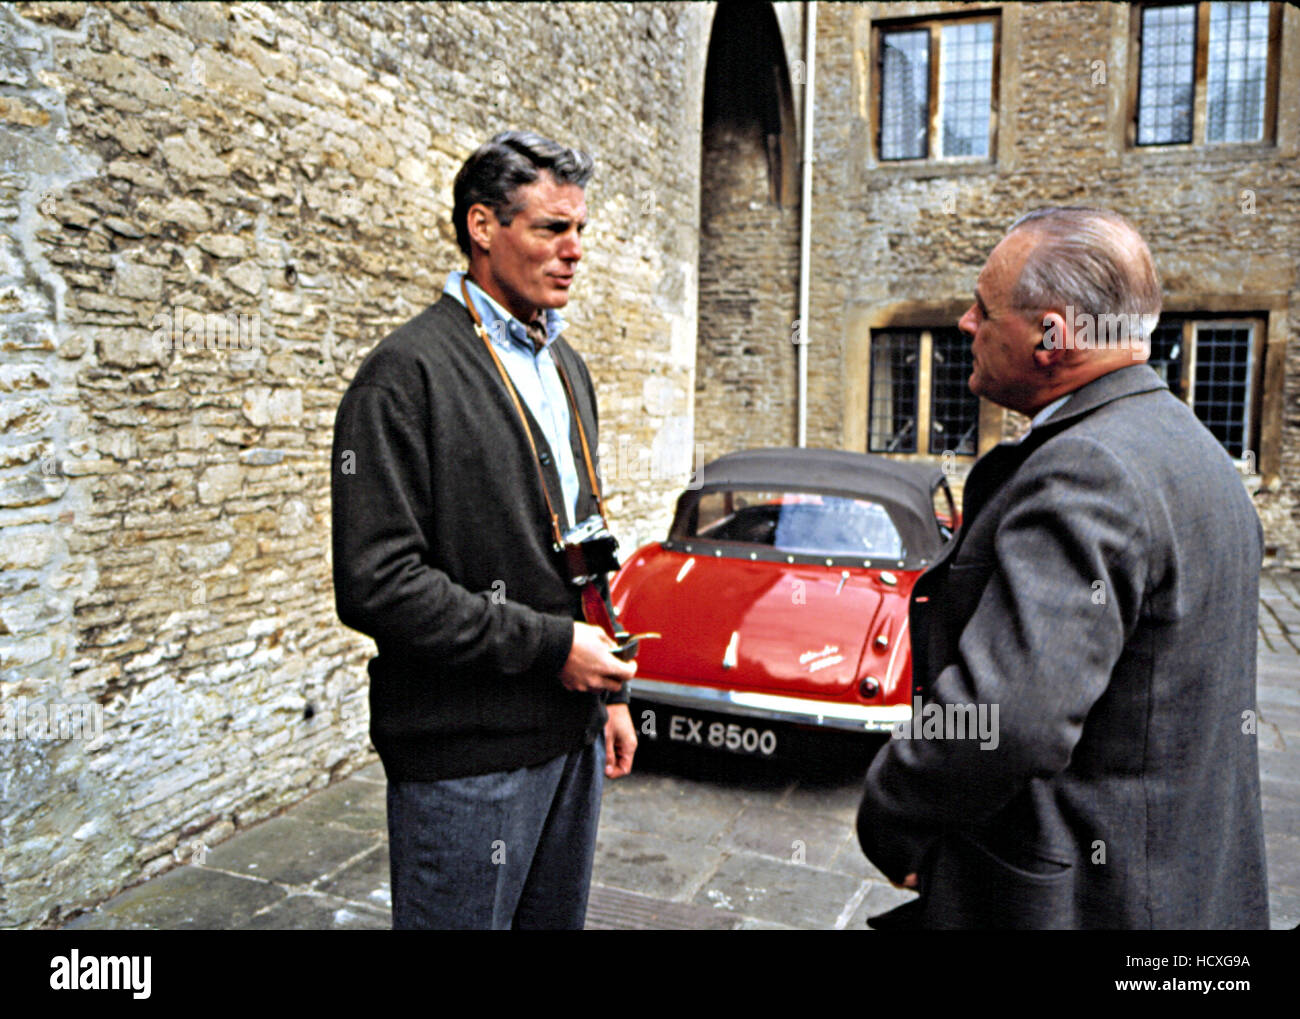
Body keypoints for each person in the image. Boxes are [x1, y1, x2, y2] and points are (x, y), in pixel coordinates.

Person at [856, 207, 1269, 929]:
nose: (963, 322)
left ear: (1052, 336)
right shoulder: (1190, 444)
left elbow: (1006, 719)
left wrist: (890, 812)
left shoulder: (1089, 471)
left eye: (983, 309)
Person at [332, 131, 637, 930]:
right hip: (465, 757)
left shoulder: (567, 367)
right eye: (550, 229)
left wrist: (609, 685)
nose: (574, 252)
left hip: (569, 737)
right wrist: (551, 646)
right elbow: (377, 583)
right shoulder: (403, 374)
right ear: (481, 226)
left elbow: (585, 539)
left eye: (580, 232)